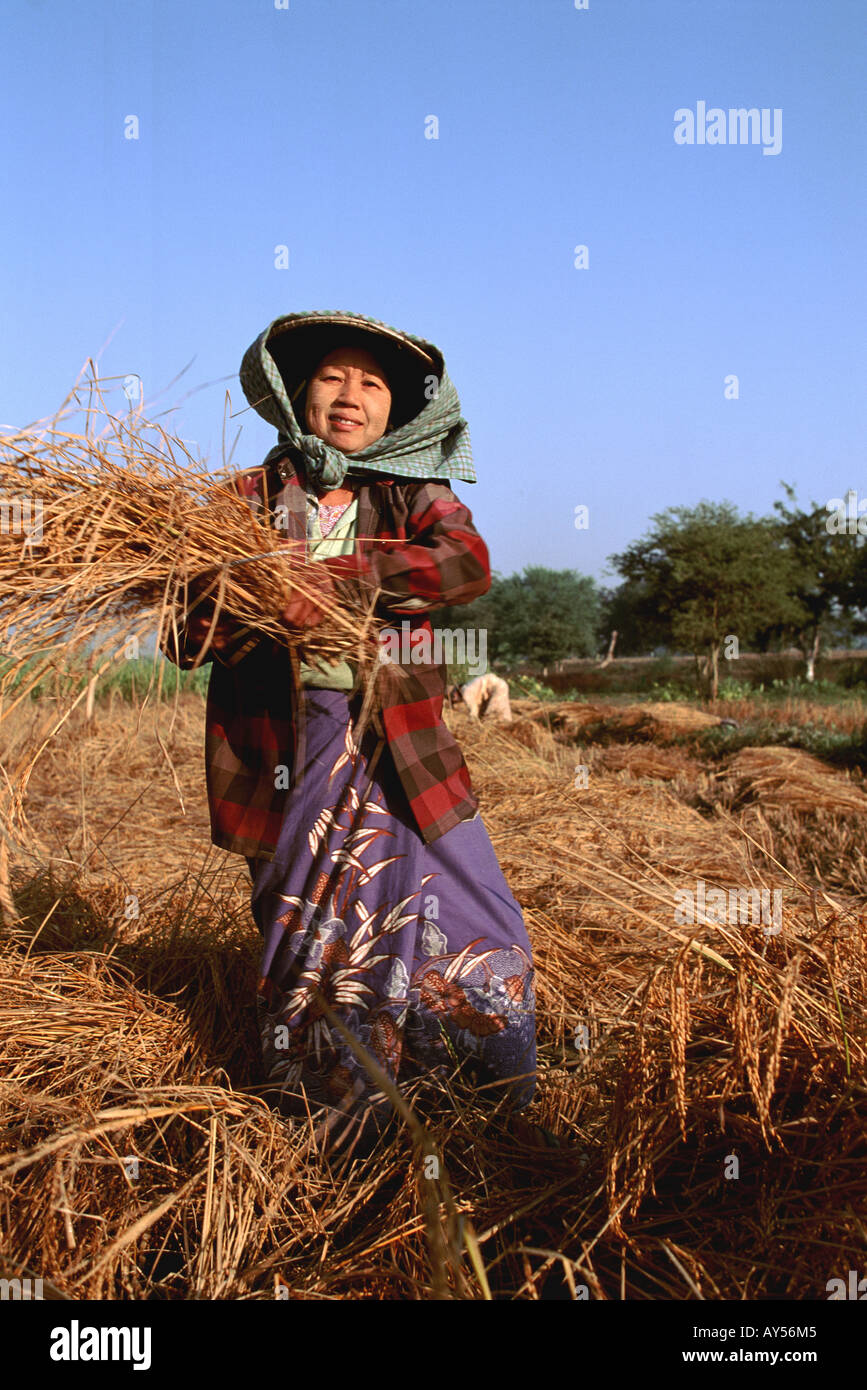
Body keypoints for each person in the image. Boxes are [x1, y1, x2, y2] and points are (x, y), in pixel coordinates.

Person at [160, 311, 537, 1158]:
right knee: (307, 930)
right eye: (333, 376)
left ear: (393, 410)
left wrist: (344, 576)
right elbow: (184, 639)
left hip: (398, 745)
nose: (350, 395)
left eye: (371, 383)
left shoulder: (409, 495)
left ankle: (488, 1098)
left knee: (479, 911)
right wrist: (244, 592)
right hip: (287, 750)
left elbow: (465, 566)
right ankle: (330, 1124)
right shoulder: (239, 505)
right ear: (299, 394)